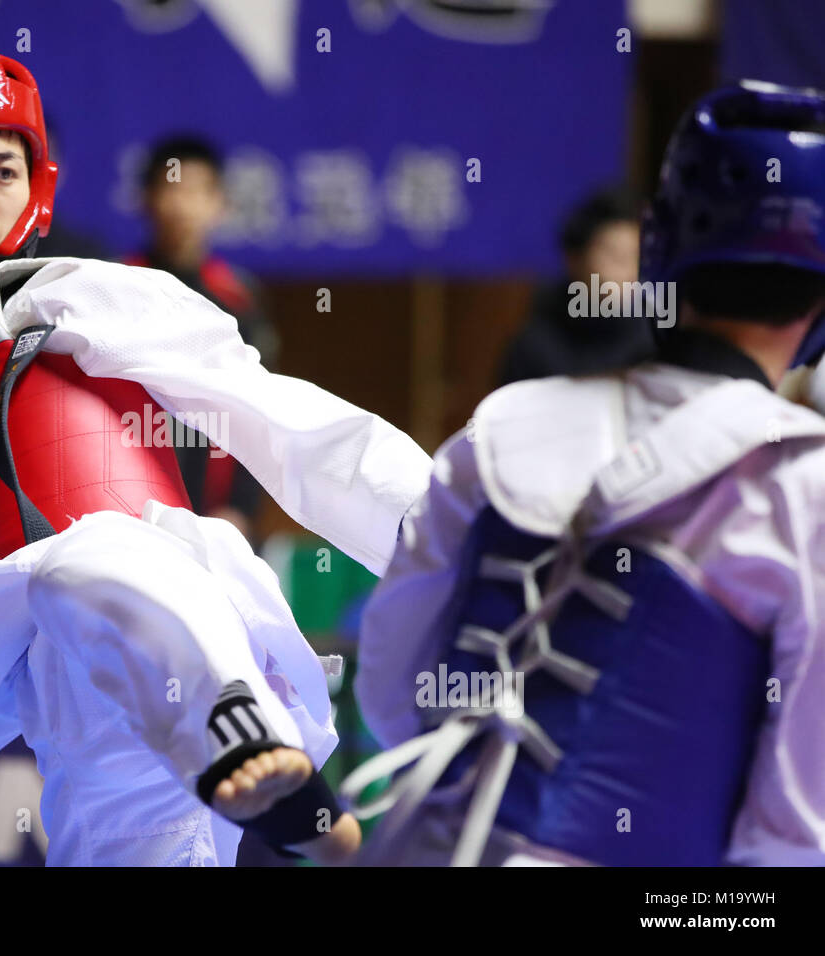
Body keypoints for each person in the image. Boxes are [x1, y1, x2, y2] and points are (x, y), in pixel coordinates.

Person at [0, 47, 432, 866]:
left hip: (175, 618)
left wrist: (448, 538)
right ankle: (288, 807)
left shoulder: (79, 293)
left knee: (82, 562)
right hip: (69, 702)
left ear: (38, 189)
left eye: (3, 170)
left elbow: (286, 424)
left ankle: (236, 732)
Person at [346, 81, 825, 866]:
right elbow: (794, 827)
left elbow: (392, 689)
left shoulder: (507, 422)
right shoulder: (802, 479)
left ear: (661, 247)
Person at [127, 136, 278, 538]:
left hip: (219, 516)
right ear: (145, 198)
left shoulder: (239, 300)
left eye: (197, 191)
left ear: (220, 204)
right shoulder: (117, 288)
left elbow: (260, 412)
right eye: (171, 188)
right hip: (134, 507)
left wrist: (240, 508)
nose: (183, 206)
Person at [496, 186, 655, 386]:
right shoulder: (535, 347)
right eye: (616, 258)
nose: (630, 275)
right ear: (575, 260)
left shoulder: (654, 341)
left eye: (637, 258)